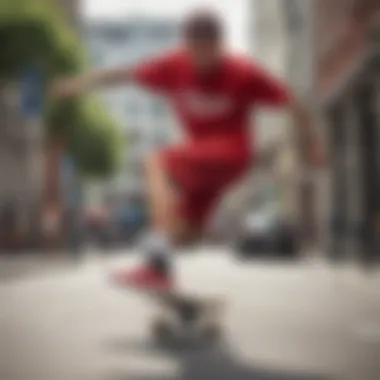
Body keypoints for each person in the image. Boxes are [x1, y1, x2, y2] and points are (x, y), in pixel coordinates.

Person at [52, 9, 325, 292]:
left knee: (155, 161)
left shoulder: (243, 73)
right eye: (197, 52)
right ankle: (165, 269)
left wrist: (313, 142)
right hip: (200, 165)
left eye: (211, 52)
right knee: (187, 233)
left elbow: (293, 101)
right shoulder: (173, 65)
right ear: (187, 46)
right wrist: (77, 83)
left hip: (231, 153)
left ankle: (156, 267)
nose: (204, 61)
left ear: (221, 46)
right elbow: (124, 74)